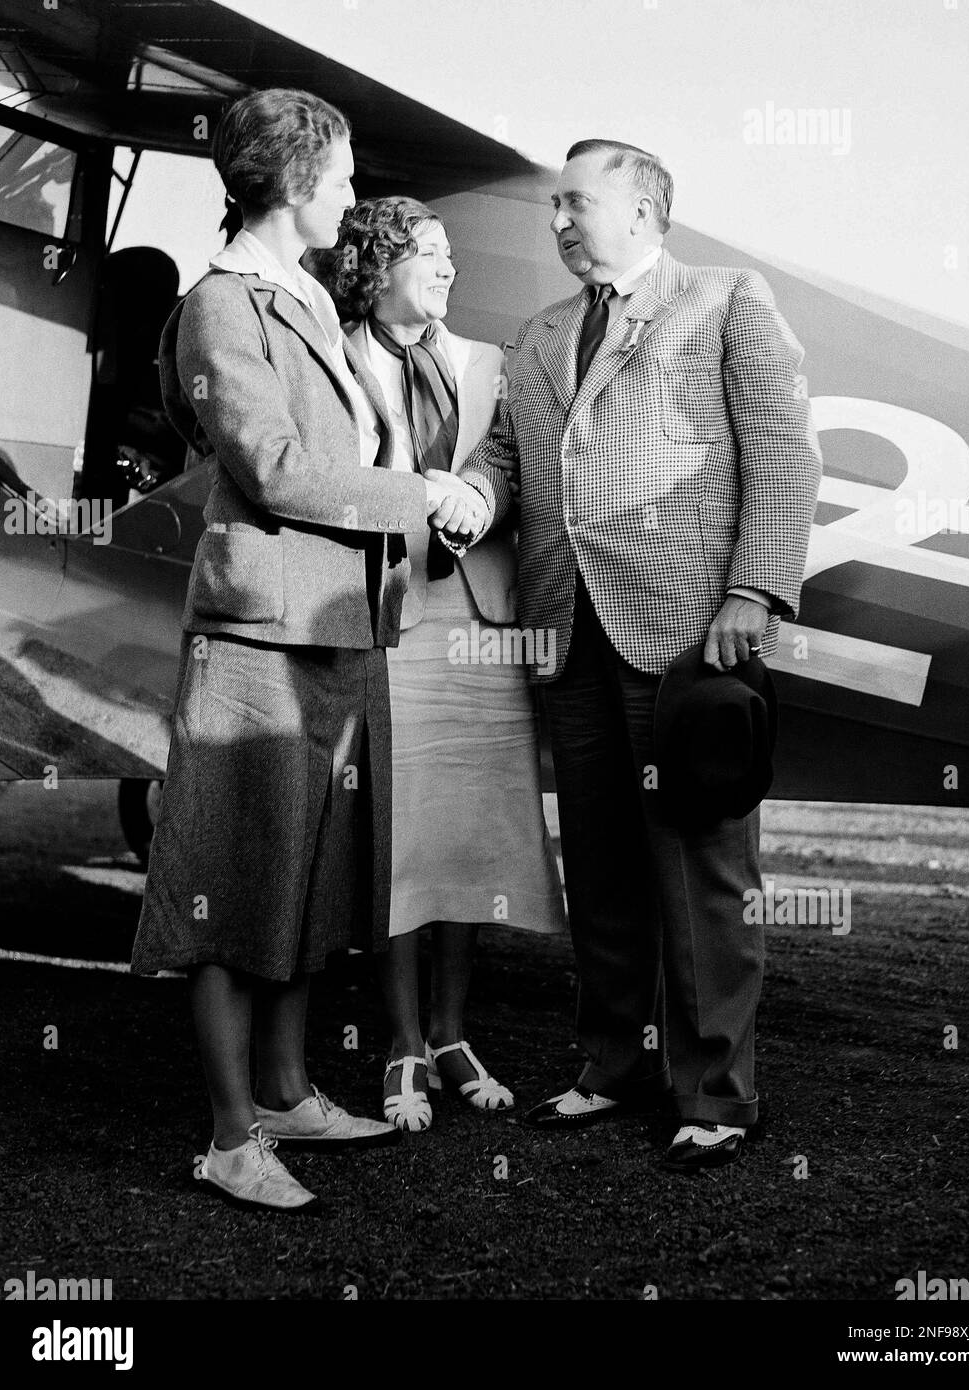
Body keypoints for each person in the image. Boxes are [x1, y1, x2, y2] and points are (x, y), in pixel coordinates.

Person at [443, 138, 822, 1172]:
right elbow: (508, 453)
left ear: (644, 210)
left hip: (693, 636)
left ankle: (716, 1094)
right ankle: (614, 1066)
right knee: (603, 868)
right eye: (552, 206)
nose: (556, 220)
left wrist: (752, 590)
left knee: (701, 873)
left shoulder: (724, 299)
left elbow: (785, 449)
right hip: (567, 632)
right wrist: (473, 493)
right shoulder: (540, 333)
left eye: (575, 202)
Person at [129, 88, 475, 1210]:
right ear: (287, 181)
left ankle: (284, 1090)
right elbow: (274, 469)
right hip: (257, 636)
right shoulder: (222, 307)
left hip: (335, 629)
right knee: (231, 885)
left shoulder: (307, 303)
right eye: (337, 176)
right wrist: (420, 492)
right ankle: (232, 1136)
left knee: (310, 879)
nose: (350, 193)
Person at [314, 196, 565, 1131]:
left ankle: (455, 1036)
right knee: (402, 839)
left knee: (472, 839)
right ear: (375, 268)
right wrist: (419, 492)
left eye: (452, 252)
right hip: (393, 621)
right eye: (429, 253)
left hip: (484, 624)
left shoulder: (493, 366)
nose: (450, 268)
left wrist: (478, 503)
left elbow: (521, 476)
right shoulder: (335, 357)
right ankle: (402, 1041)